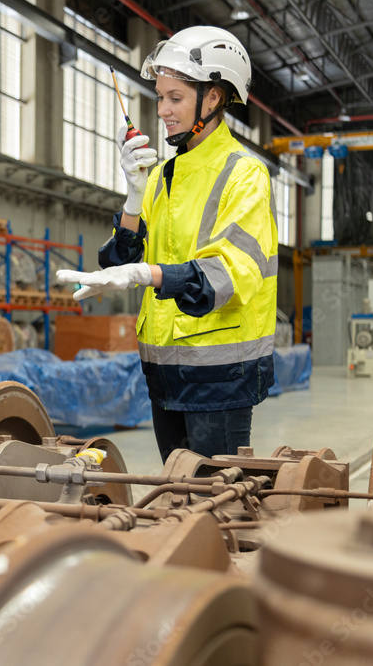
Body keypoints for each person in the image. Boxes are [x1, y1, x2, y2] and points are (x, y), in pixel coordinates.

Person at [57, 26, 278, 463]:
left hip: (220, 376)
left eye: (175, 98)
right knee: (178, 498)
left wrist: (146, 274)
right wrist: (133, 199)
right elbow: (121, 257)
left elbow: (226, 275)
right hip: (162, 374)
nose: (163, 111)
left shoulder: (245, 174)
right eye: (160, 97)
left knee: (216, 504)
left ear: (213, 97)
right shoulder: (160, 176)